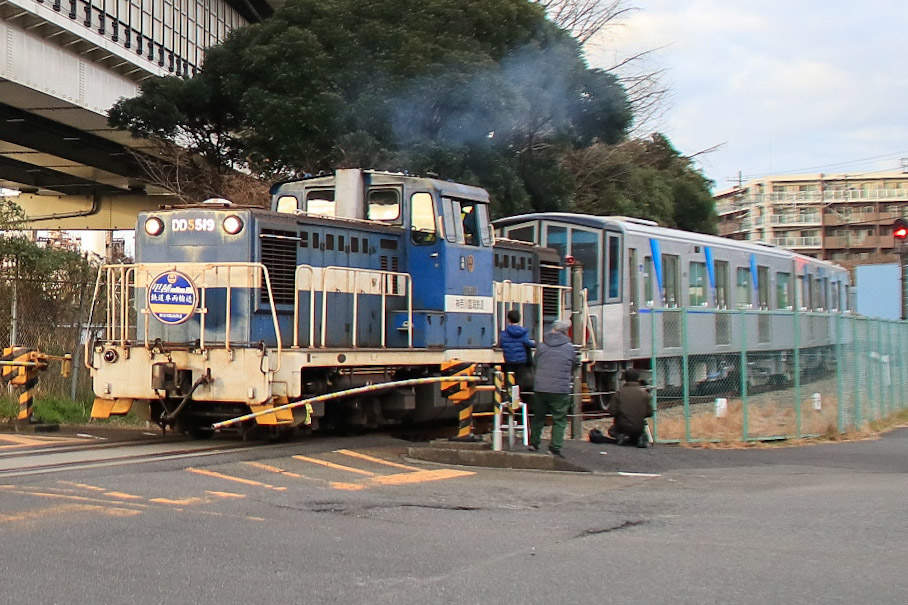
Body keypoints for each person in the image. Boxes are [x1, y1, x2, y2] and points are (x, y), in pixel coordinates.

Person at [529, 319, 577, 457]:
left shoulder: (542, 345)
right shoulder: (569, 347)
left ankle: (534, 443)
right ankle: (554, 447)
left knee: (538, 417)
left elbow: (535, 363)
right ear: (565, 332)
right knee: (559, 419)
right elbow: (573, 364)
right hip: (560, 390)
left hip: (541, 387)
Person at [607, 368, 653, 448]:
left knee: (611, 430)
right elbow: (650, 412)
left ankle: (622, 436)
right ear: (638, 379)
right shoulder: (645, 394)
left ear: (625, 379)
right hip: (639, 428)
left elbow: (612, 412)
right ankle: (639, 439)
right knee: (638, 431)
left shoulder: (619, 394)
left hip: (622, 427)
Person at [499, 309, 535, 397]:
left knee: (509, 380)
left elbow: (501, 344)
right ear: (519, 319)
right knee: (519, 381)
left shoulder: (504, 333)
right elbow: (526, 343)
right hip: (521, 361)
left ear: (508, 319)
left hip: (509, 360)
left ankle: (509, 398)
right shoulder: (524, 331)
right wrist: (534, 343)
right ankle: (516, 400)